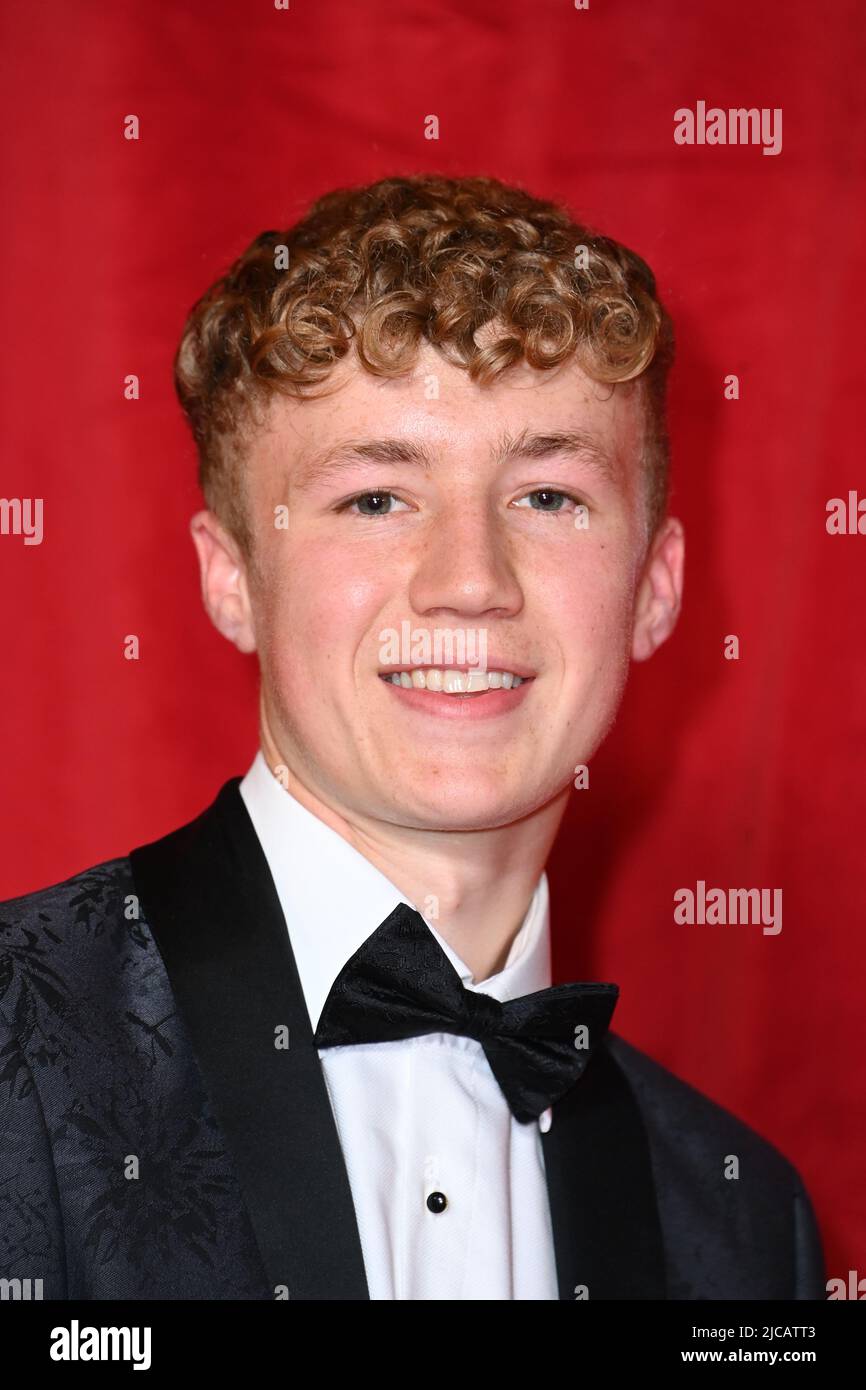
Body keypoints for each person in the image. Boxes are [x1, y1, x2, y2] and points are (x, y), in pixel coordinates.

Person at [0, 173, 825, 1300]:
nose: (469, 582)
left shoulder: (743, 1228)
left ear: (654, 586)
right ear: (232, 578)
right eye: (376, 499)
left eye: (547, 496)